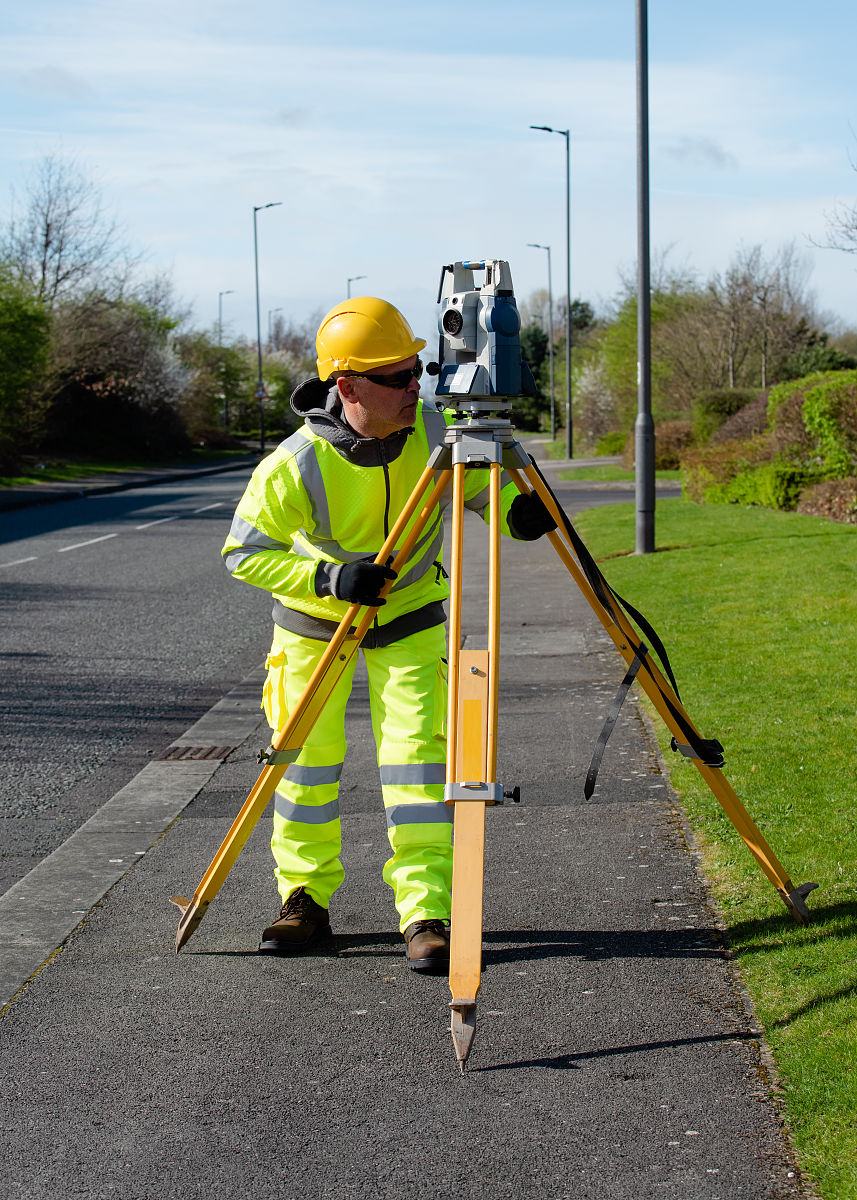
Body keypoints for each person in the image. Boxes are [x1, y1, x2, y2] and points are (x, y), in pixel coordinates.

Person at [221, 296, 555, 972]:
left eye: (416, 371)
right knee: (304, 770)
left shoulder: (437, 436)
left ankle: (426, 912)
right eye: (397, 378)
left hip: (408, 622)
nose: (415, 387)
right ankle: (303, 900)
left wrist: (517, 511)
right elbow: (242, 554)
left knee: (416, 768)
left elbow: (482, 495)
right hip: (315, 630)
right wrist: (330, 580)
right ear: (346, 387)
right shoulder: (296, 462)